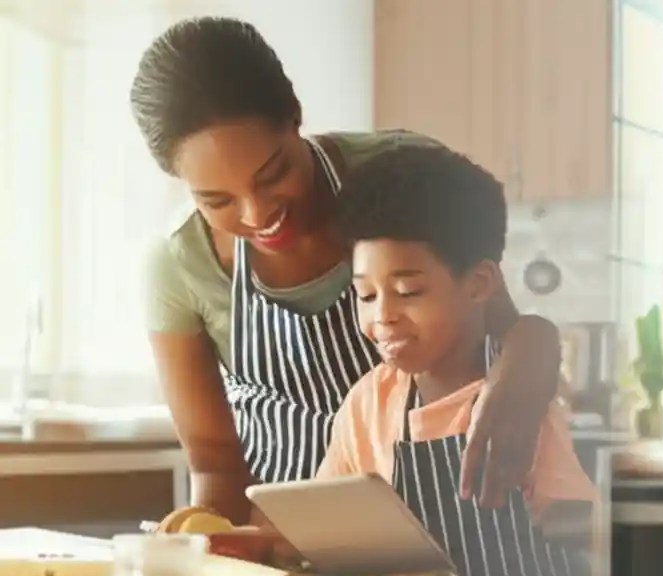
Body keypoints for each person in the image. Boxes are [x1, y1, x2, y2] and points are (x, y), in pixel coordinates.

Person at [130, 17, 562, 524]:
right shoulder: (179, 260)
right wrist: (213, 549)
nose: (257, 214)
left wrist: (533, 356)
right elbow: (218, 469)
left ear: (294, 114)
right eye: (216, 200)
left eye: (274, 174)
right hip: (284, 537)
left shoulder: (404, 175)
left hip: (446, 526)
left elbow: (501, 327)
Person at [316, 144, 596, 576]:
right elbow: (327, 522)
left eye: (408, 291)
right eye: (365, 295)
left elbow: (576, 525)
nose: (383, 315)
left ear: (479, 285)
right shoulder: (370, 401)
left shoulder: (515, 403)